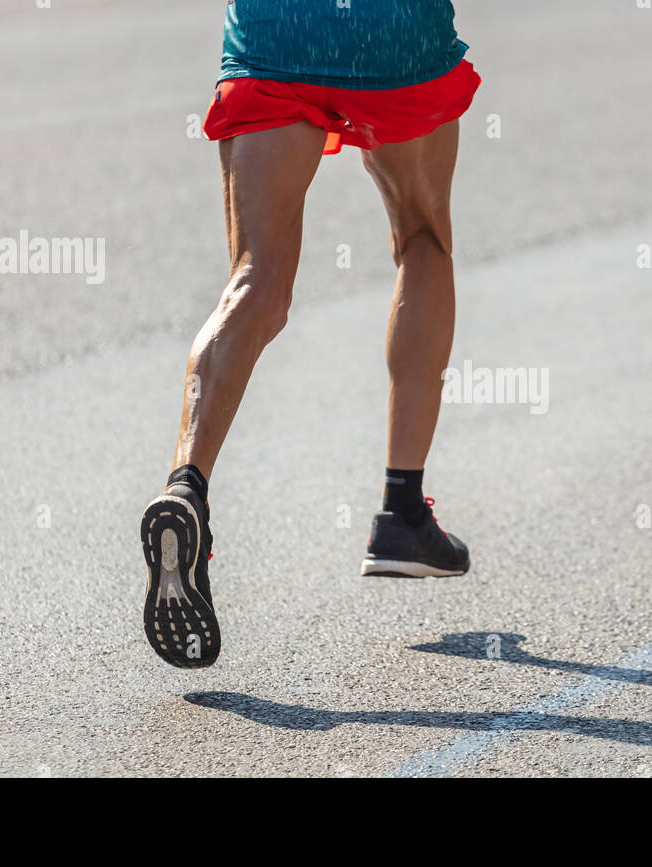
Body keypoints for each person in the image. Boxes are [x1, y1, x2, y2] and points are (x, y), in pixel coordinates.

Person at [141, 0, 479, 669]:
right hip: (394, 34)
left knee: (255, 282)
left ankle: (187, 486)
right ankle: (403, 510)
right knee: (422, 238)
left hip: (277, 30)